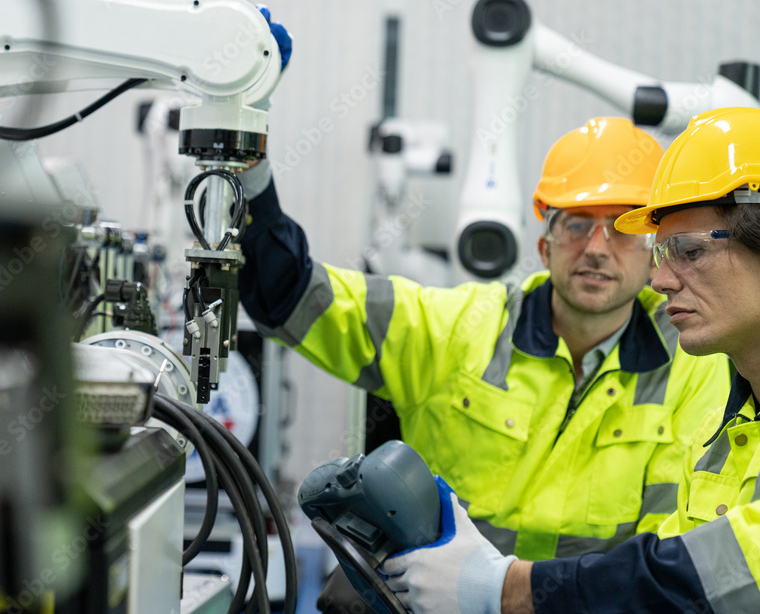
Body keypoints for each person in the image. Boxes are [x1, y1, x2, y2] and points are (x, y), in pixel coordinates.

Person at [236, 116, 731, 607]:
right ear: (544, 247)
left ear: (654, 253)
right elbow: (296, 296)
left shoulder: (697, 365)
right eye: (577, 225)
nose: (597, 248)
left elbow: (674, 563)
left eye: (621, 228)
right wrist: (246, 156)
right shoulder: (462, 329)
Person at [380, 106, 760, 614]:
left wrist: (508, 589)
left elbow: (720, 571)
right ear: (544, 247)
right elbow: (671, 584)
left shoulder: (696, 390)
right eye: (662, 253)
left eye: (689, 252)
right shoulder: (722, 435)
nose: (660, 280)